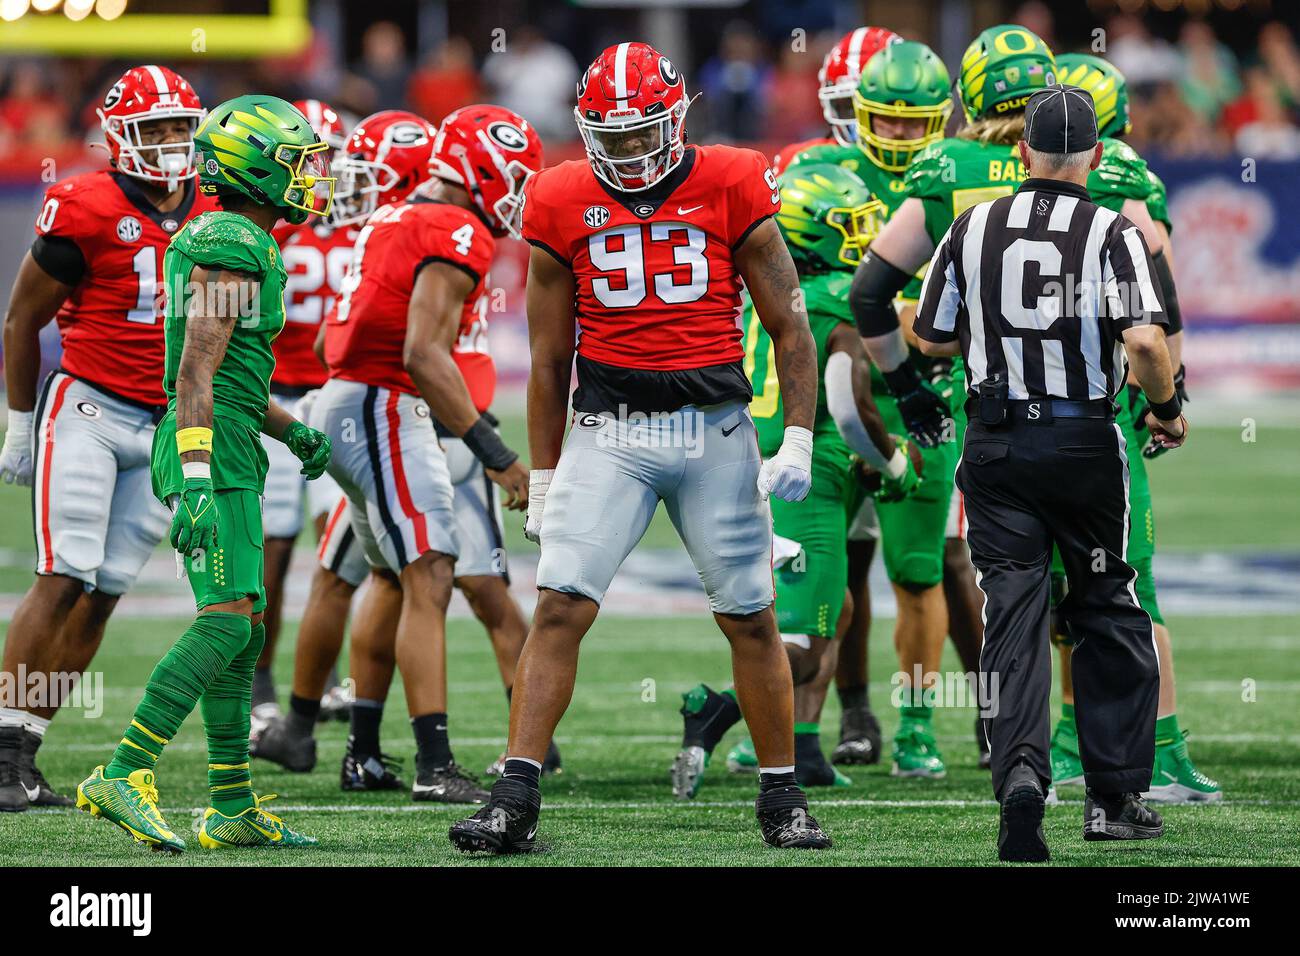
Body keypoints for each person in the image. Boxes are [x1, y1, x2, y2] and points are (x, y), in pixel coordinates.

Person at [449, 41, 829, 854]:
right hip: (609, 430)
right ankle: (514, 794)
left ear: (677, 118)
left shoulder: (729, 178)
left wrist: (796, 436)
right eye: (608, 136)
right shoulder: (557, 195)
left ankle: (781, 796)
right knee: (559, 605)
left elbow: (789, 327)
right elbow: (550, 361)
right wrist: (545, 478)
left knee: (752, 620)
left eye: (639, 133)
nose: (623, 151)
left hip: (715, 426)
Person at [910, 83, 1185, 862]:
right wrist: (1164, 409)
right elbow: (1143, 343)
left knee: (1013, 619)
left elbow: (930, 340)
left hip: (997, 446)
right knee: (1108, 609)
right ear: (1094, 158)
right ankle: (1114, 799)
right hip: (1084, 445)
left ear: (1020, 153)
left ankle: (1021, 782)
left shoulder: (971, 227)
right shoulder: (1110, 230)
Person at [76, 94, 335, 851]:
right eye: (293, 163)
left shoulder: (242, 236)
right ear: (252, 168)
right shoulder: (229, 237)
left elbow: (234, 377)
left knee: (245, 625)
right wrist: (193, 475)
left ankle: (229, 802)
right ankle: (124, 770)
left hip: (233, 439)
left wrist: (288, 432)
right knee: (225, 619)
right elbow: (195, 372)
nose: (307, 177)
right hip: (209, 448)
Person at [0, 65, 215, 812]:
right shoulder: (84, 206)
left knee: (104, 593)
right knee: (63, 576)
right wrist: (20, 422)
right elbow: (21, 321)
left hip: (164, 425)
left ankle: (25, 750)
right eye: (153, 129)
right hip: (87, 408)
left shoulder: (216, 210)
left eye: (178, 128)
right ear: (120, 136)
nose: (168, 143)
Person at [311, 105, 540, 803]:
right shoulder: (455, 226)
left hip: (353, 400)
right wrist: (496, 452)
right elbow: (422, 354)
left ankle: (363, 755)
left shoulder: (394, 215)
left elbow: (330, 343)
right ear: (480, 168)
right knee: (431, 572)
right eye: (514, 177)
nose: (519, 193)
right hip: (384, 405)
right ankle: (434, 764)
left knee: (392, 575)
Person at [671, 162, 920, 798]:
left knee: (836, 612)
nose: (863, 234)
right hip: (806, 474)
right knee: (805, 637)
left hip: (744, 456)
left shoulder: (746, 277)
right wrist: (893, 464)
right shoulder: (841, 295)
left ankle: (804, 747)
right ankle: (715, 708)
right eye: (849, 224)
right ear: (816, 232)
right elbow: (851, 401)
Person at [780, 40, 973, 777]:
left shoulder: (954, 176)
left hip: (931, 395)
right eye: (882, 122)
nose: (895, 136)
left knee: (920, 567)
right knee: (822, 569)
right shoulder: (817, 175)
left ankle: (920, 725)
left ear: (941, 118)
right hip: (838, 403)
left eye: (911, 123)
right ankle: (811, 720)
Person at [1050, 53, 1219, 804]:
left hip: (1015, 406)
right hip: (1101, 406)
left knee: (1054, 591)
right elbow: (1162, 298)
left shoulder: (1002, 177)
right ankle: (1160, 748)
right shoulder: (1122, 174)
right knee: (1127, 587)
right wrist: (1169, 395)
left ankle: (1062, 746)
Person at [251, 98, 353, 733]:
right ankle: (260, 682)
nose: (321, 174)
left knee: (339, 551)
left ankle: (329, 681)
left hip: (337, 398)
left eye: (330, 160)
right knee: (272, 551)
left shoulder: (362, 226)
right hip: (276, 400)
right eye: (309, 161)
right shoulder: (265, 226)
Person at [770, 26, 900, 174]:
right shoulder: (801, 161)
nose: (859, 125)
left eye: (874, 107)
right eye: (848, 106)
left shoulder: (927, 167)